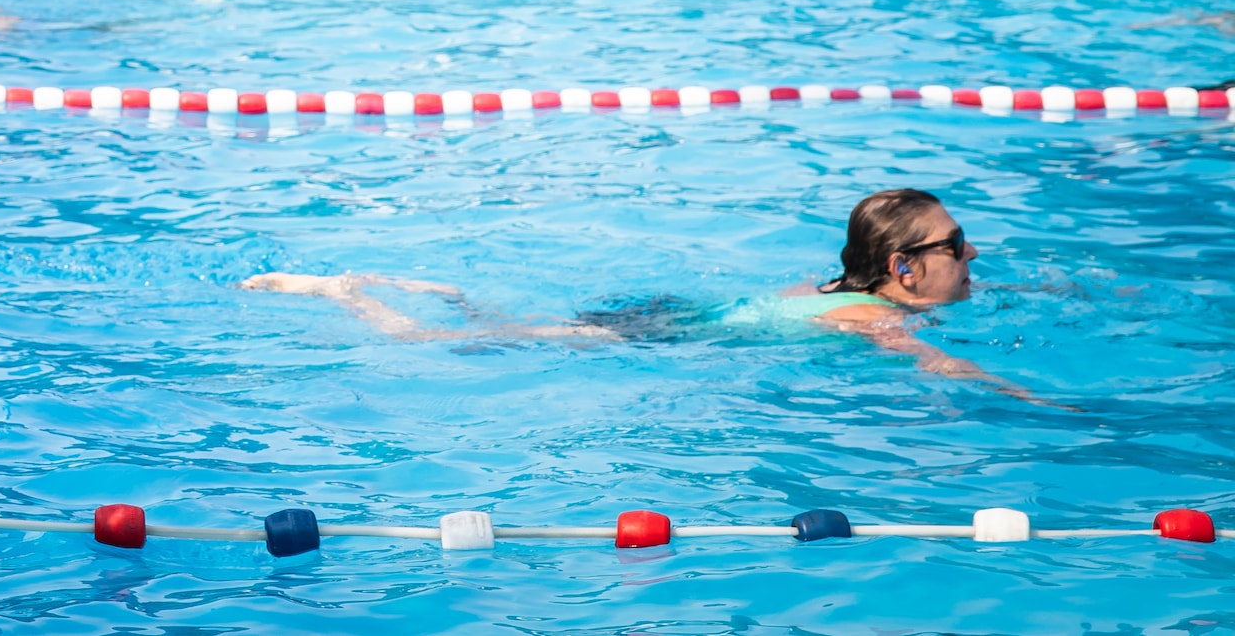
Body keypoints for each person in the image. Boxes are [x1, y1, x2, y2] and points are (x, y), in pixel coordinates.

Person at [245, 188, 1041, 399]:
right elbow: (935, 364)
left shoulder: (836, 284)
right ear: (903, 266)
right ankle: (342, 292)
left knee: (509, 324)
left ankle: (446, 288)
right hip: (660, 339)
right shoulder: (869, 314)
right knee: (427, 345)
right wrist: (1028, 398)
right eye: (955, 244)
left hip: (676, 315)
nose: (971, 253)